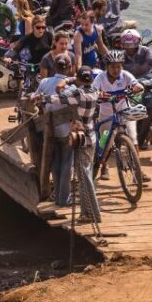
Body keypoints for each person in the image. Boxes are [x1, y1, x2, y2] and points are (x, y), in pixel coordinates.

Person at [41, 66, 101, 221]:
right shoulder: (95, 91)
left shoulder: (77, 93)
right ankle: (87, 212)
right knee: (87, 174)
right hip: (92, 137)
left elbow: (56, 97)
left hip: (80, 139)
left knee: (84, 178)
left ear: (79, 79)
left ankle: (91, 213)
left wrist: (65, 81)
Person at [92, 50, 145, 181]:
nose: (116, 70)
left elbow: (137, 84)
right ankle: (104, 166)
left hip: (124, 111)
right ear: (107, 67)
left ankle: (138, 171)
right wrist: (99, 94)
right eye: (112, 67)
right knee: (104, 142)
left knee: (133, 138)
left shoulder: (126, 75)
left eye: (118, 66)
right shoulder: (100, 78)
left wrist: (137, 88)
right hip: (106, 115)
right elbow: (93, 90)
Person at [33, 54, 74, 206]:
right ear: (70, 68)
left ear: (54, 67)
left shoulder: (44, 82)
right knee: (66, 164)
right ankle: (64, 198)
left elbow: (34, 98)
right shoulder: (71, 87)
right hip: (66, 131)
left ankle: (57, 196)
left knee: (55, 162)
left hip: (49, 131)